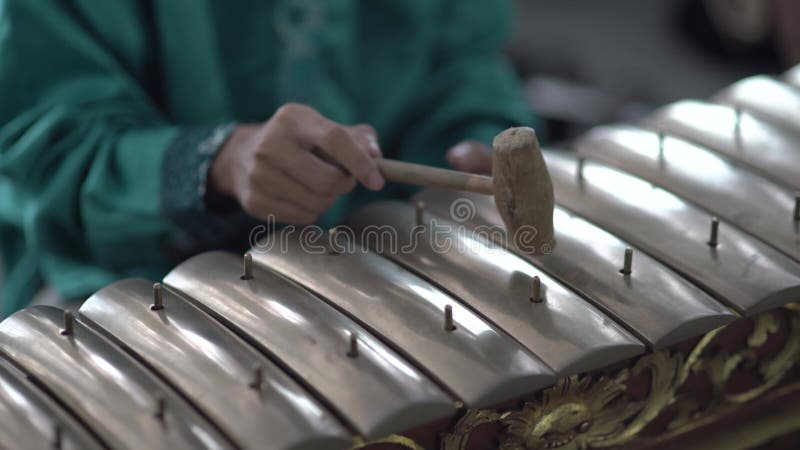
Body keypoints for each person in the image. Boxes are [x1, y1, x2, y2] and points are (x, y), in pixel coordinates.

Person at [0, 0, 536, 316]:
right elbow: (52, 149)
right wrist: (218, 163)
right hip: (136, 288)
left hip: (381, 256)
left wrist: (472, 142)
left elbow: (464, 63)